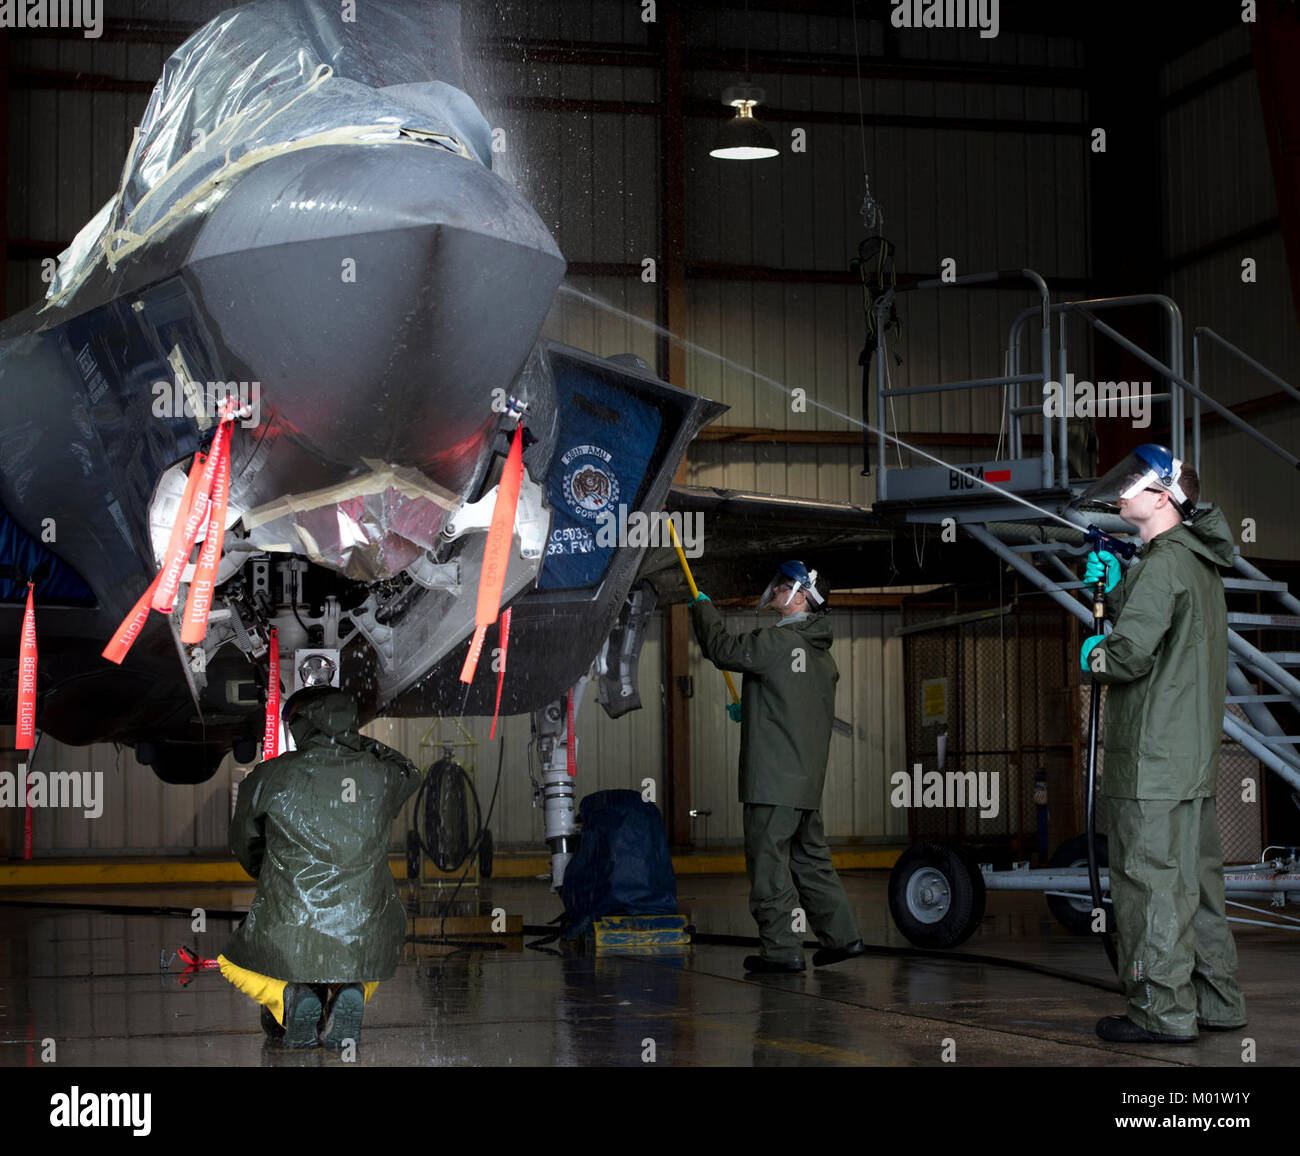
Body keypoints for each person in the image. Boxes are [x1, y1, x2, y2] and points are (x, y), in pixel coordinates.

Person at [1077, 445, 1247, 1043]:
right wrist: (1119, 587)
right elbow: (1163, 631)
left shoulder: (1163, 563)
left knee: (1148, 884)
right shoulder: (1194, 562)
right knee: (1195, 887)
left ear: (1164, 497)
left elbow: (1126, 655)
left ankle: (1161, 1012)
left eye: (1134, 485)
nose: (1121, 493)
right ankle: (1217, 1003)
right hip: (1188, 762)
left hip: (1150, 763)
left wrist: (1092, 653)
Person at [219, 685, 421, 1048]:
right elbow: (410, 770)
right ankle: (351, 990)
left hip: (290, 922)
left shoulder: (269, 776)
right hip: (364, 927)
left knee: (230, 963)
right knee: (365, 951)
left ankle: (290, 1000)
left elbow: (244, 843)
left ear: (300, 726)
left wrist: (268, 873)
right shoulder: (380, 776)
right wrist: (358, 745)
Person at [690, 560, 866, 974]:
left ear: (802, 596)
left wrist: (703, 608)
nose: (776, 590)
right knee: (810, 861)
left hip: (771, 783)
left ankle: (781, 949)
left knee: (769, 863)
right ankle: (843, 938)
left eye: (786, 585)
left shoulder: (778, 643)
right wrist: (751, 705)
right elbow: (793, 706)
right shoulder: (822, 659)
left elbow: (721, 650)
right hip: (804, 785)